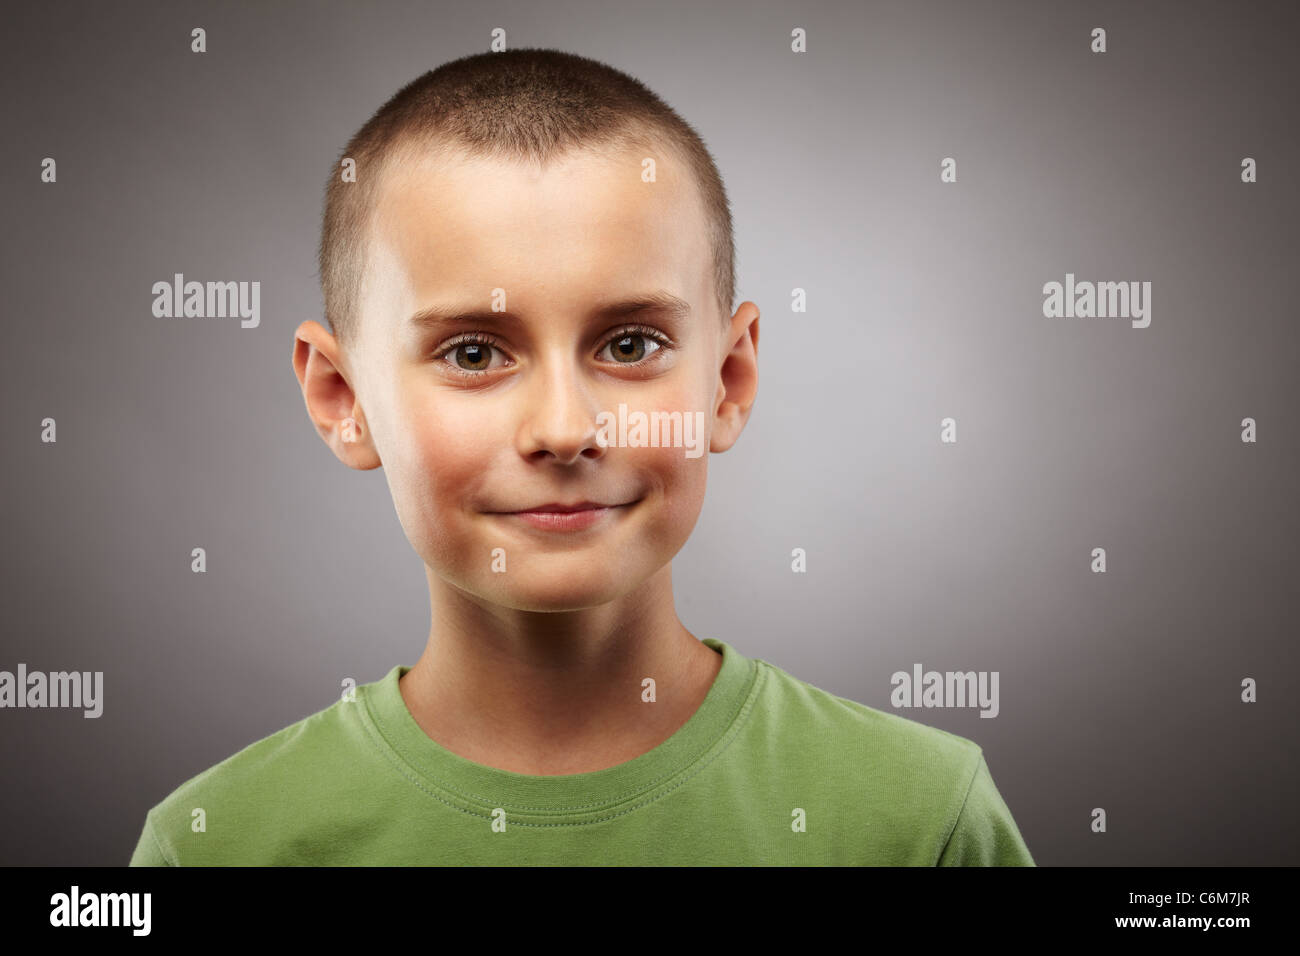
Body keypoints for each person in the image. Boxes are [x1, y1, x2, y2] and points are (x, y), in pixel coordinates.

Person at [130, 47, 1034, 866]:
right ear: (343, 399)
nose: (565, 429)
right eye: (474, 353)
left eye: (631, 344)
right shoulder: (219, 846)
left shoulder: (920, 823)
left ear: (727, 380)